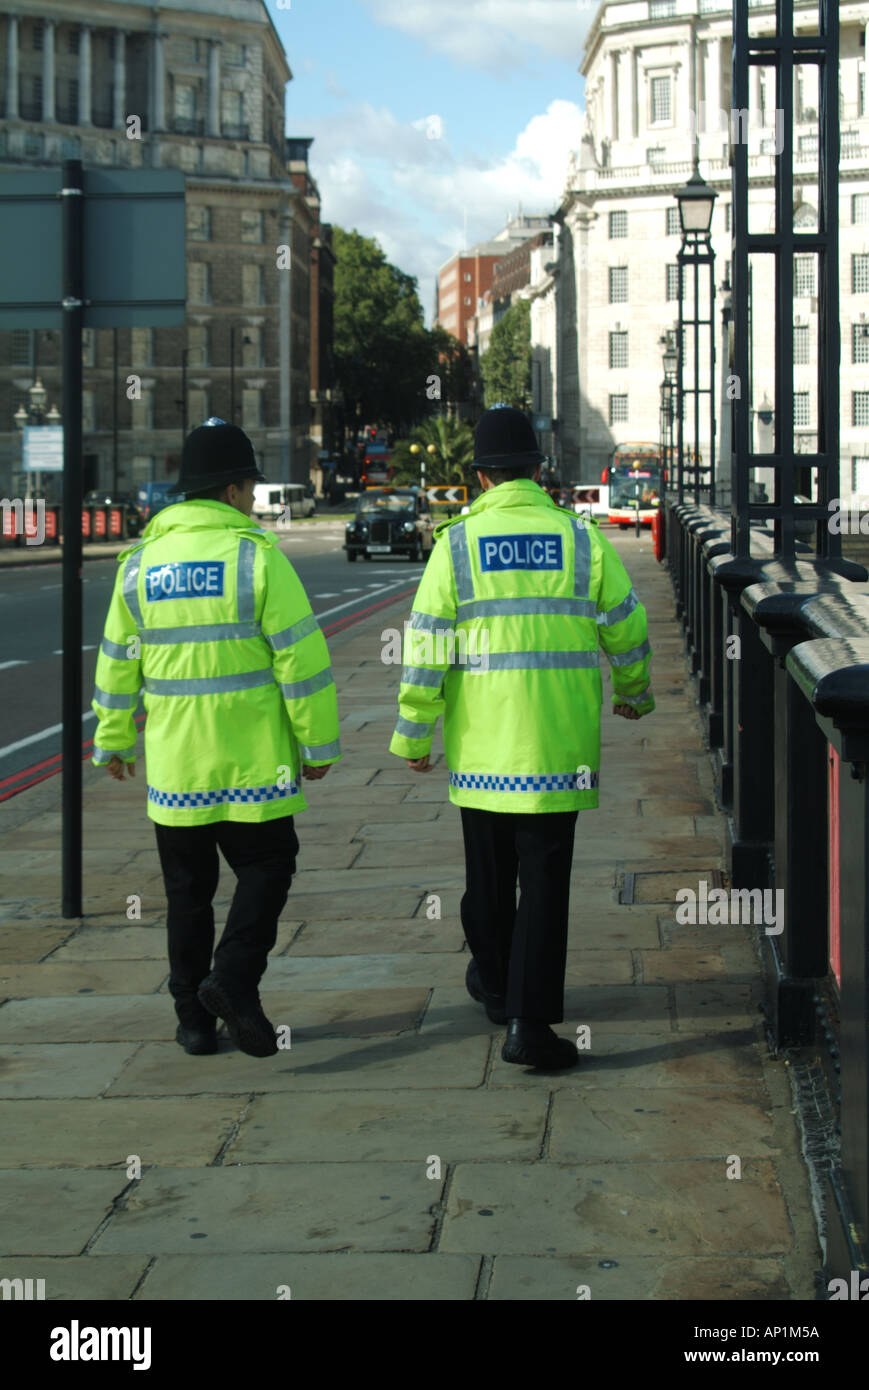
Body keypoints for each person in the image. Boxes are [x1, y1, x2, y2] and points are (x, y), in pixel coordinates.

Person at [389, 404, 654, 1069]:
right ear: (538, 470)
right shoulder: (580, 538)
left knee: (486, 879)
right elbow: (625, 623)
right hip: (558, 749)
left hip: (482, 750)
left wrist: (414, 733)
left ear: (480, 478)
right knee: (542, 885)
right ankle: (528, 1025)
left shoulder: (454, 545)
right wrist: (632, 693)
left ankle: (495, 982)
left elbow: (424, 645)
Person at [91, 419, 341, 1058]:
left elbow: (118, 660)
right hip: (254, 762)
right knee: (268, 866)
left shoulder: (139, 565)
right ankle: (231, 978)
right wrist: (316, 746)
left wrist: (115, 739)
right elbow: (301, 661)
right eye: (250, 488)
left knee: (187, 894)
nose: (254, 499)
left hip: (177, 769)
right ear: (230, 490)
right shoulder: (257, 558)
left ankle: (192, 1022)